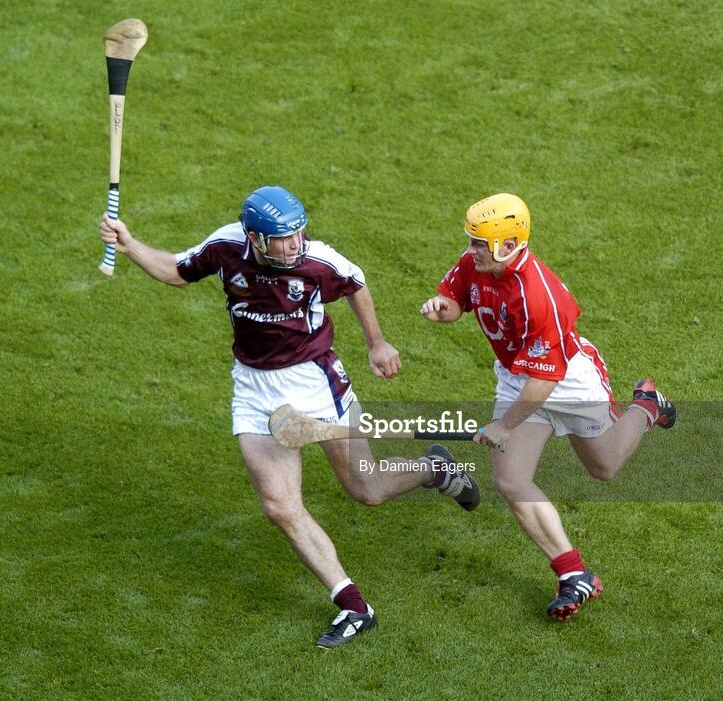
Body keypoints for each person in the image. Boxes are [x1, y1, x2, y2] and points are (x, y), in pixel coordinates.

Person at [99, 185, 479, 648]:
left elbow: (355, 281)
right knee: (279, 505)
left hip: (314, 382)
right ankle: (354, 606)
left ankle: (433, 468)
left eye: (298, 234)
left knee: (368, 489)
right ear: (256, 239)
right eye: (283, 238)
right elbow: (177, 271)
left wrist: (376, 342)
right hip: (254, 389)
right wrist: (130, 243)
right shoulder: (226, 247)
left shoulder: (318, 261)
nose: (294, 244)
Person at [419, 193, 676, 621]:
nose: (470, 250)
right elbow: (456, 302)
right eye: (471, 241)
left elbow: (546, 380)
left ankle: (647, 405)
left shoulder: (540, 295)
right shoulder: (475, 265)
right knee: (511, 480)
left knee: (604, 467)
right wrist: (441, 309)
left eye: (480, 243)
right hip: (520, 376)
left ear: (507, 244)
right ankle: (573, 573)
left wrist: (503, 425)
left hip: (566, 381)